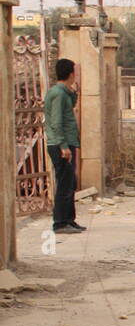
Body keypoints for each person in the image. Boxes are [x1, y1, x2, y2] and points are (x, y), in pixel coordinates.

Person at [44, 58, 84, 235]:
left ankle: (69, 220)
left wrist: (75, 90)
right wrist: (63, 146)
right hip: (61, 145)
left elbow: (71, 106)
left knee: (70, 183)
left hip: (67, 142)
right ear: (71, 74)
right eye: (75, 72)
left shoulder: (63, 92)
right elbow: (56, 122)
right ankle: (60, 223)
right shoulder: (58, 94)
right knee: (64, 184)